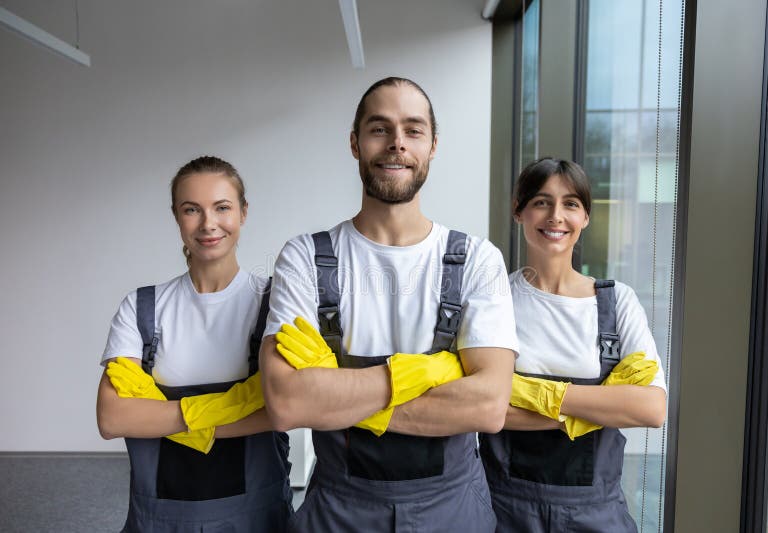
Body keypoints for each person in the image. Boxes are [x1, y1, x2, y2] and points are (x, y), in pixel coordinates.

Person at [260, 77, 519, 532]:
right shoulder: (303, 257)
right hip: (339, 509)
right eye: (379, 129)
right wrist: (429, 377)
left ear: (433, 145)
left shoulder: (478, 259)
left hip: (452, 509)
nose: (397, 143)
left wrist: (335, 390)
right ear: (355, 143)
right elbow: (285, 402)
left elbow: (490, 406)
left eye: (413, 130)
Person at [96, 156, 293, 532]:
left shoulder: (274, 304)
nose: (208, 224)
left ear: (243, 212)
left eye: (222, 207)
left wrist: (158, 417)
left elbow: (285, 409)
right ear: (176, 216)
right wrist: (231, 411)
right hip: (159, 523)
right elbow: (112, 417)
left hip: (256, 521)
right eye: (192, 209)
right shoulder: (142, 309)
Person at [479, 157, 668, 532]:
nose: (556, 216)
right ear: (519, 211)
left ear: (585, 218)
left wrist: (530, 394)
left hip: (597, 516)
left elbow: (651, 408)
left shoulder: (617, 303)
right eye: (541, 202)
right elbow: (485, 411)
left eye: (570, 204)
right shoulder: (494, 299)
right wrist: (602, 403)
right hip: (504, 513)